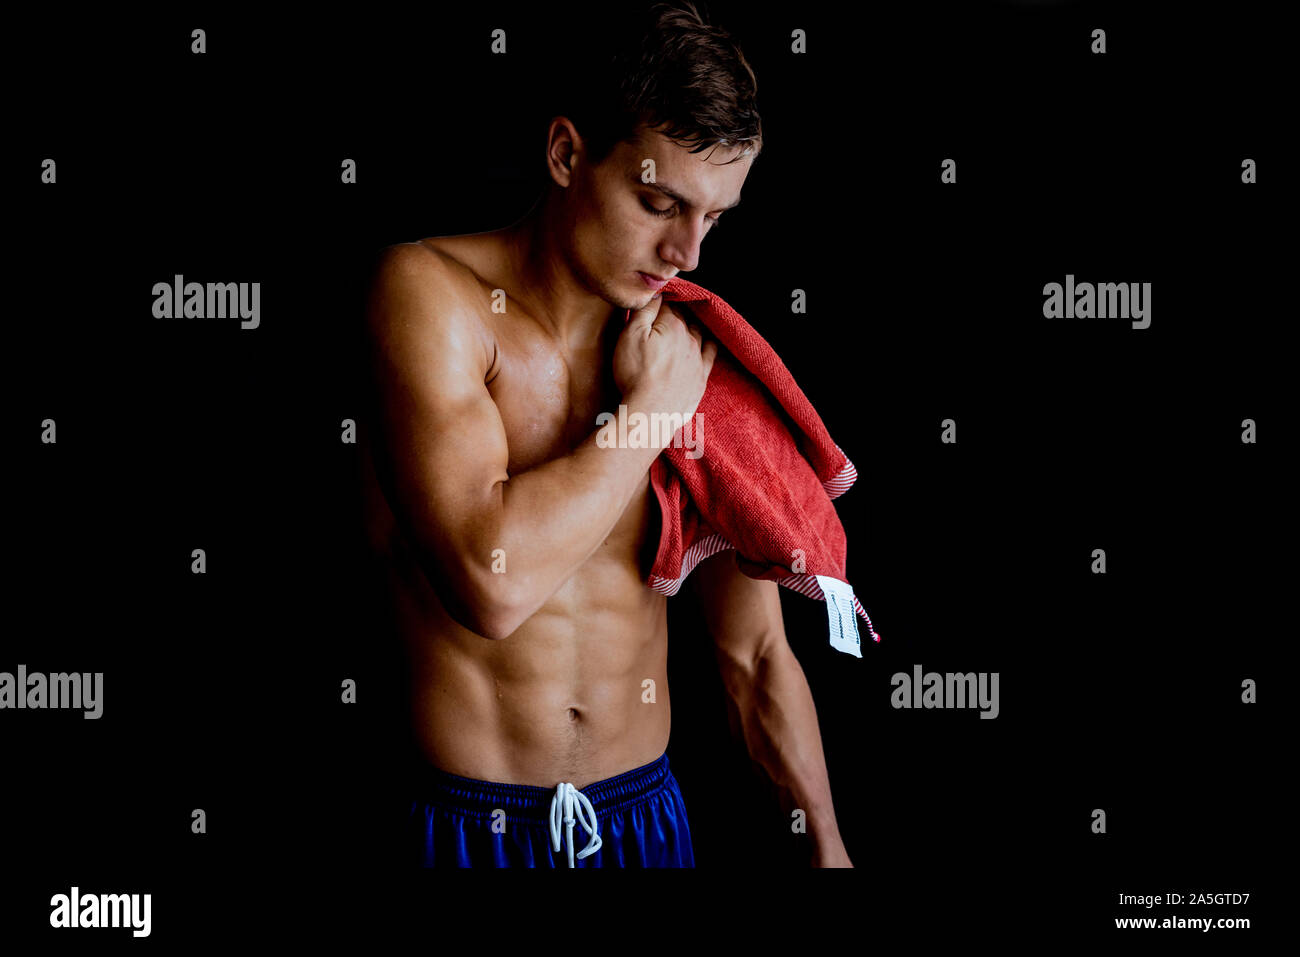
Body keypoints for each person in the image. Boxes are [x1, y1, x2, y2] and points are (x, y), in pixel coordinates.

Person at [360, 0, 852, 867]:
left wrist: (827, 847)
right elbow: (490, 582)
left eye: (713, 218)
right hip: (473, 828)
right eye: (659, 201)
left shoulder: (692, 354)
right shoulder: (431, 297)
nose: (686, 254)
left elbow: (754, 651)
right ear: (565, 154)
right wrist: (652, 413)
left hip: (646, 819)